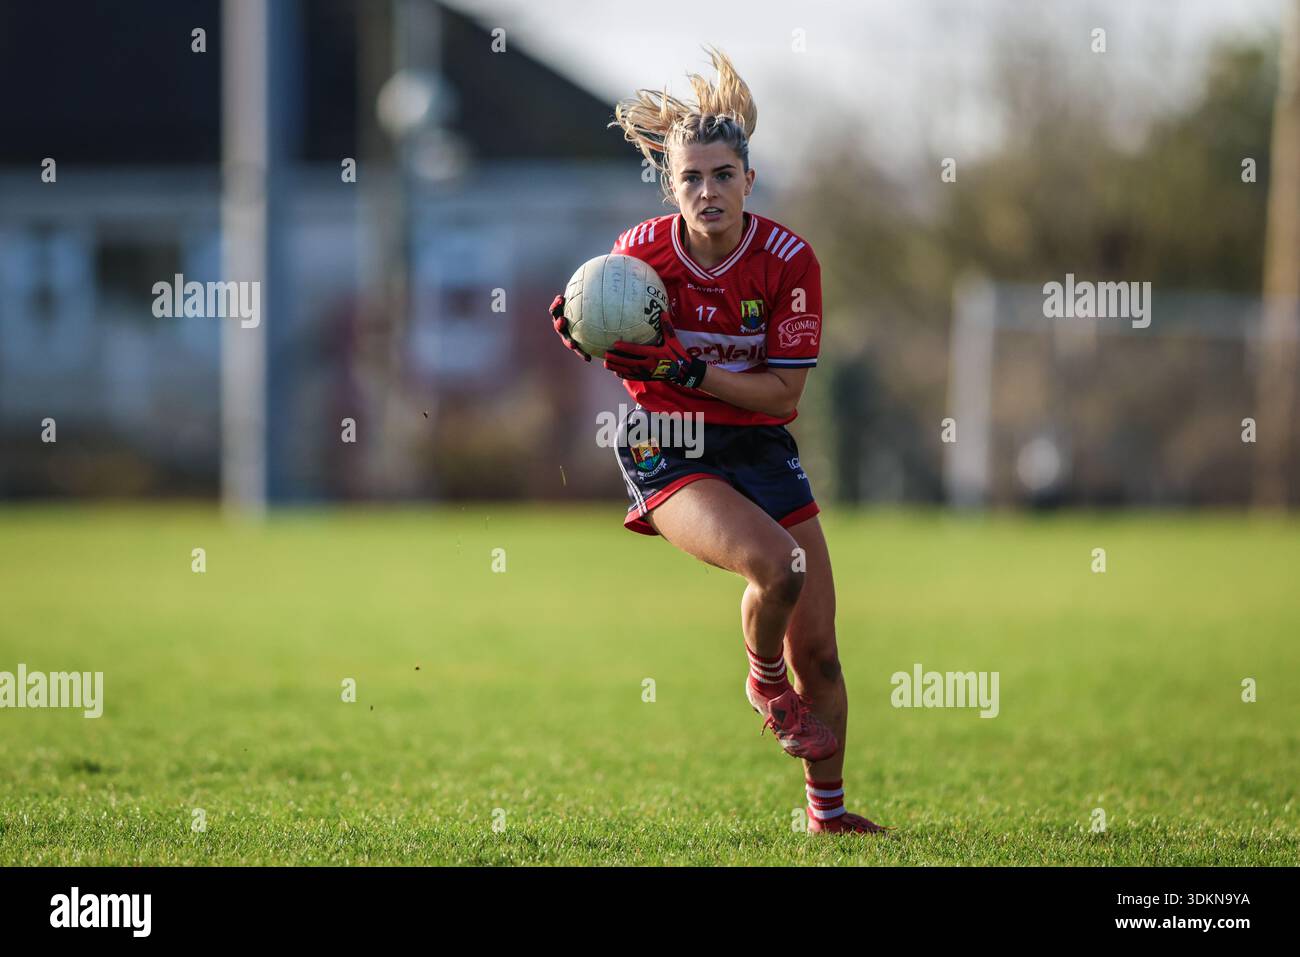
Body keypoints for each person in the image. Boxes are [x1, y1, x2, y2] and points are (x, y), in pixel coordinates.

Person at [549, 47, 889, 835]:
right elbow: (585, 310)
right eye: (691, 177)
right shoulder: (637, 256)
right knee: (778, 566)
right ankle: (763, 680)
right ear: (672, 186)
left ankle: (826, 815)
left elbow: (785, 395)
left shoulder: (787, 261)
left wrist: (687, 366)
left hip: (758, 443)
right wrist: (570, 324)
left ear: (749, 180)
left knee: (826, 653)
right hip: (667, 441)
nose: (707, 190)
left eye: (722, 175)